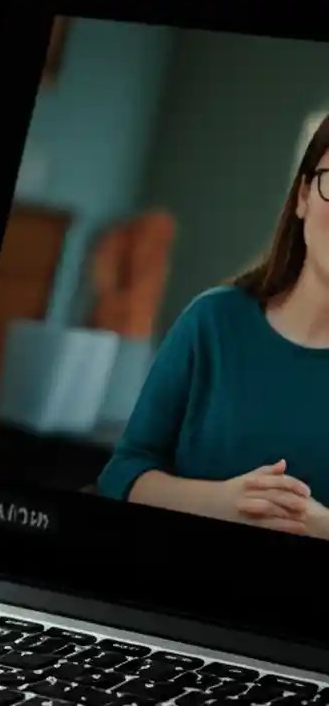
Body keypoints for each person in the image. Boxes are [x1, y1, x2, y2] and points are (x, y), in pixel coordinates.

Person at [96, 112, 329, 539]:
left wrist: (319, 526)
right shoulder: (213, 321)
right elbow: (122, 473)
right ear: (302, 197)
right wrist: (221, 503)